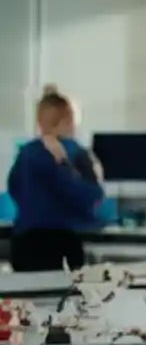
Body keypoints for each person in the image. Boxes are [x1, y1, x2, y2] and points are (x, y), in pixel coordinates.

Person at [7, 86, 104, 272]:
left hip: (24, 244)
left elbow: (14, 187)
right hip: (61, 243)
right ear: (69, 120)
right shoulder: (75, 152)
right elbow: (91, 197)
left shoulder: (26, 153)